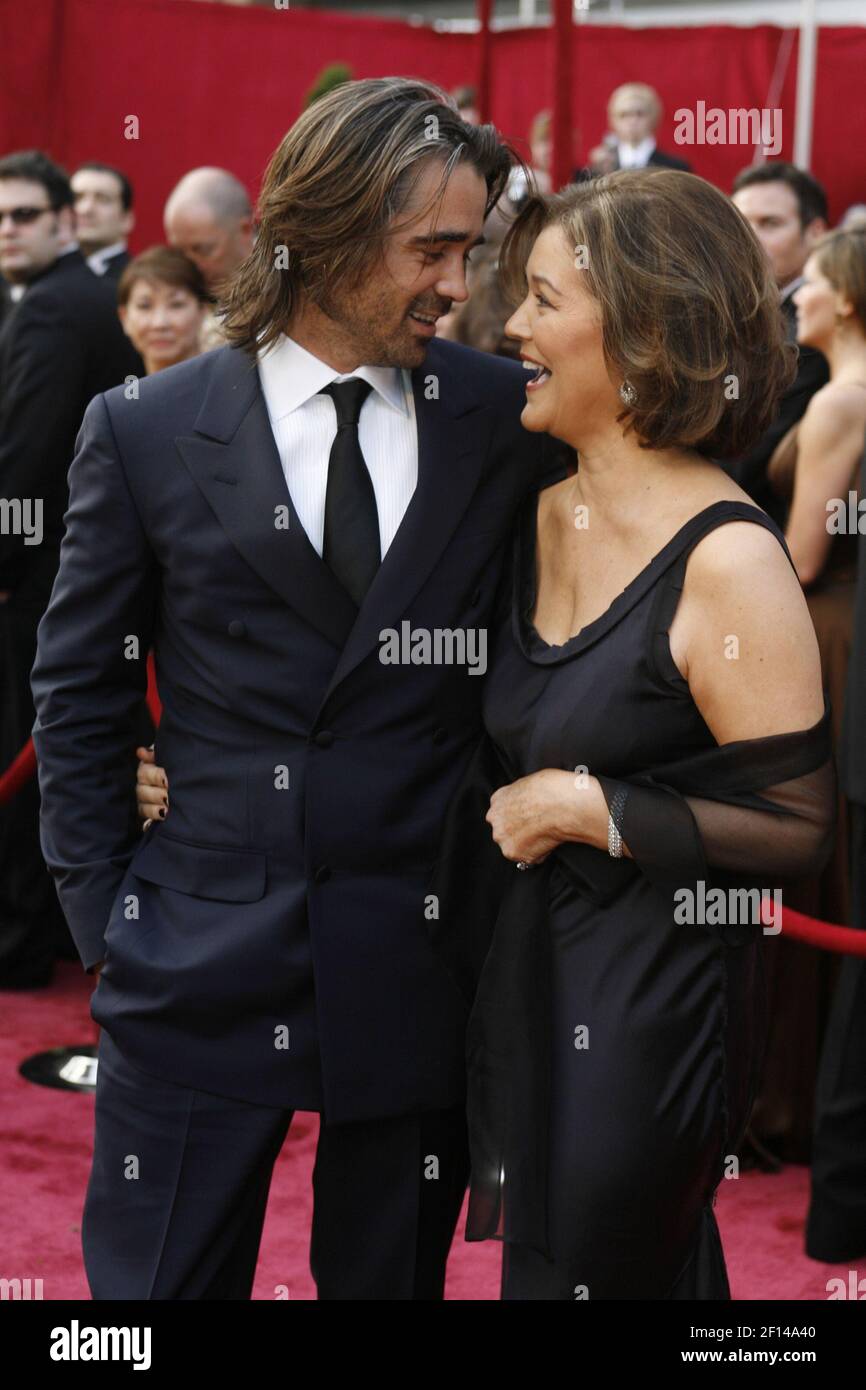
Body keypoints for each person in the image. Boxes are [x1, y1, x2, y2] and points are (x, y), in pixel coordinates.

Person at [30, 77, 566, 1301]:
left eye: (470, 250)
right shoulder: (147, 426)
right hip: (194, 954)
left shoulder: (495, 415)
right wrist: (109, 918)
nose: (456, 282)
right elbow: (77, 693)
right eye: (431, 249)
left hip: (420, 959)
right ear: (320, 230)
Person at [428, 168, 833, 1299]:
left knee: (596, 1267)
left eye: (544, 300)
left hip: (649, 1001)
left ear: (647, 331)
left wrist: (588, 808)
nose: (509, 324)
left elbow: (796, 826)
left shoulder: (728, 559)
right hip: (522, 971)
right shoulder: (535, 502)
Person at [0, 150, 142, 988]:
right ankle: (46, 927)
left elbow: (26, 456)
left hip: (41, 577)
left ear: (63, 221)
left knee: (28, 749)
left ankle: (19, 941)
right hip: (71, 570)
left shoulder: (54, 309)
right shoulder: (64, 298)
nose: (8, 230)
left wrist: (4, 565)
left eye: (23, 215)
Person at [805, 232, 866, 1265]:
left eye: (809, 280)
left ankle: (842, 1202)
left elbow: (793, 550)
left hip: (829, 655)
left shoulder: (841, 399)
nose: (794, 294)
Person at [728, 163, 830, 526]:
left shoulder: (813, 332)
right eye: (741, 224)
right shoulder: (731, 309)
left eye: (770, 224)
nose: (751, 238)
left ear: (815, 232)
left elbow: (743, 466)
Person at [117, 246, 211, 374]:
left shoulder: (229, 388)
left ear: (203, 311)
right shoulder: (119, 393)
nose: (159, 323)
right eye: (145, 306)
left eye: (176, 305)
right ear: (124, 317)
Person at [581, 82, 691, 178]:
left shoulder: (676, 169)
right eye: (624, 115)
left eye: (640, 114)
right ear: (613, 120)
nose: (632, 121)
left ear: (654, 117)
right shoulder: (596, 170)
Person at [71, 163, 135, 281]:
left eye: (103, 199)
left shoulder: (137, 280)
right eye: (77, 198)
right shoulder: (41, 271)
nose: (86, 209)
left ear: (126, 219)